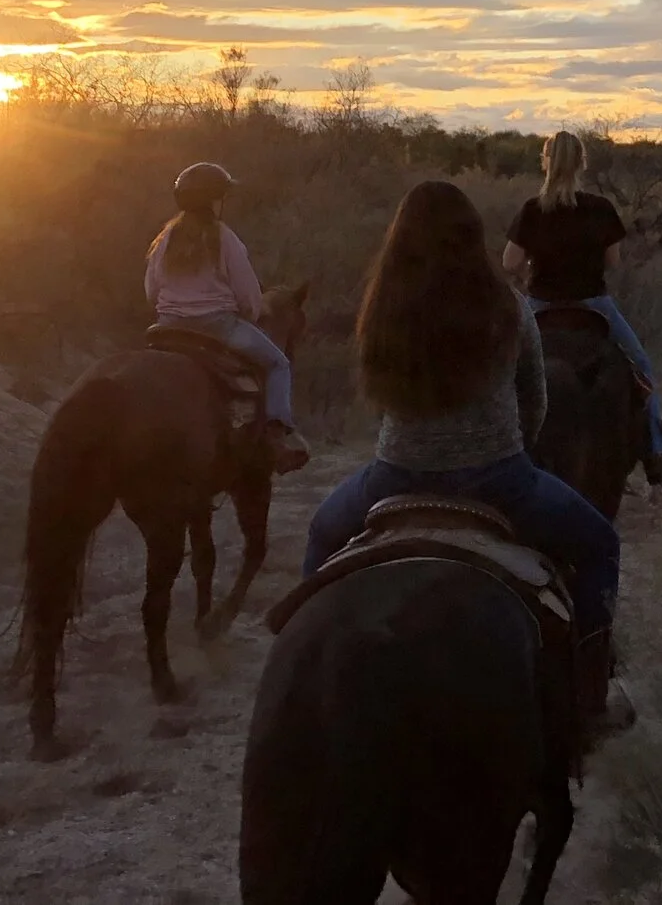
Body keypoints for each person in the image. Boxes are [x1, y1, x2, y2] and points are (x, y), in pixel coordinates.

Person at [304, 179, 627, 732]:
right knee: (600, 544)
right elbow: (536, 401)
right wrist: (507, 446)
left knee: (320, 536)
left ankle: (307, 679)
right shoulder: (509, 305)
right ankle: (589, 693)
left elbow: (378, 396)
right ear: (473, 236)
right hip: (498, 478)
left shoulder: (383, 307)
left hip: (395, 476)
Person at [504, 131, 662, 484]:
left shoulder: (532, 210)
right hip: (593, 305)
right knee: (640, 366)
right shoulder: (599, 208)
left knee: (500, 371)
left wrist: (528, 271)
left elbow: (509, 261)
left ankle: (492, 449)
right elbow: (613, 261)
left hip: (540, 305)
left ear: (545, 160)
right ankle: (656, 452)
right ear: (582, 162)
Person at [144, 162, 310, 472]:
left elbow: (151, 289)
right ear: (213, 200)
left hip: (167, 328)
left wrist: (170, 309)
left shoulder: (164, 239)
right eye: (222, 197)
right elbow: (248, 295)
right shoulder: (225, 238)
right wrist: (249, 315)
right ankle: (277, 438)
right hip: (217, 327)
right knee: (278, 364)